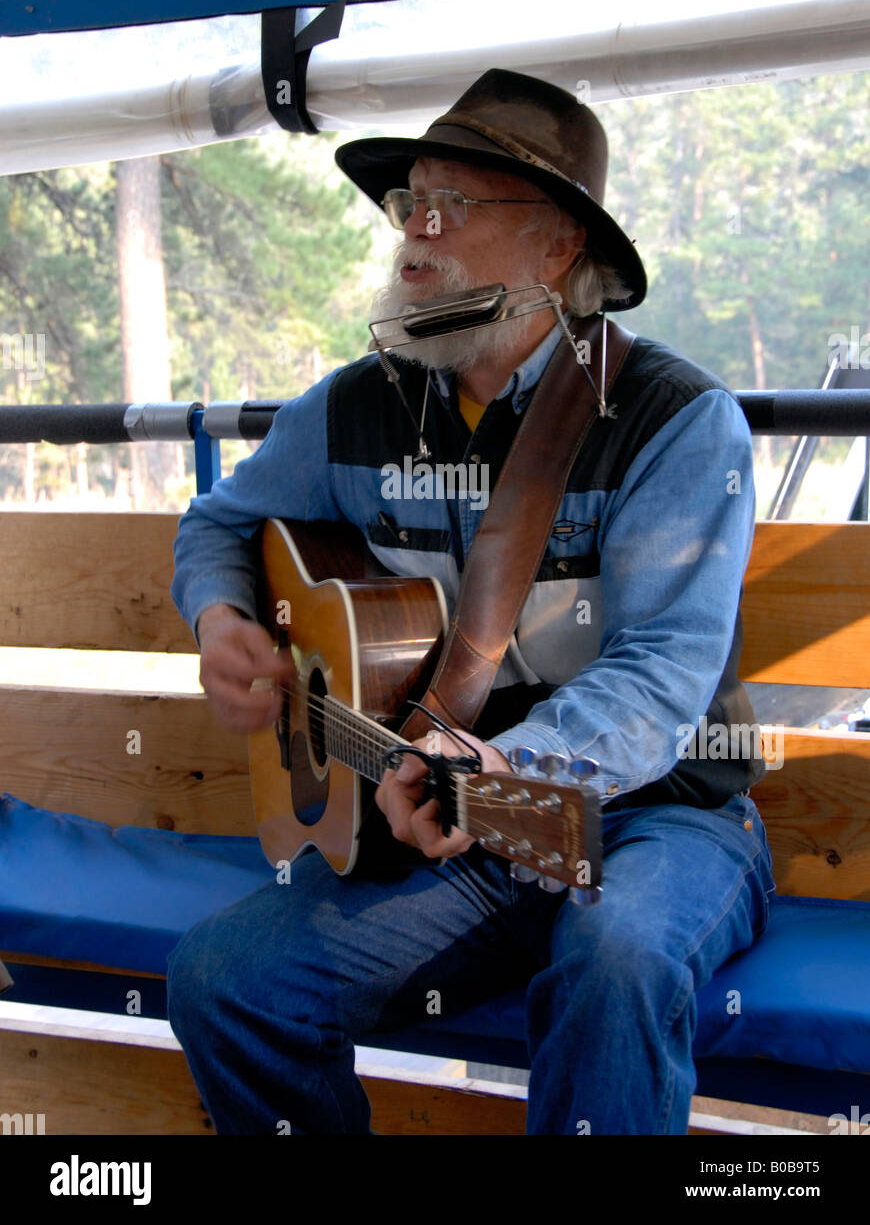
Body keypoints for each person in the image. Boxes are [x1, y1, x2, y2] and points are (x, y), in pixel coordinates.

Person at [167, 68, 775, 1135]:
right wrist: (220, 616)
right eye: (412, 203)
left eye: (457, 206)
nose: (416, 231)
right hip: (450, 826)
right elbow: (222, 521)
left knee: (618, 960)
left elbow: (664, 674)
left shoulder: (678, 422)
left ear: (557, 251)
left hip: (659, 821)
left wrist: (506, 764)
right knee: (225, 980)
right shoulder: (353, 408)